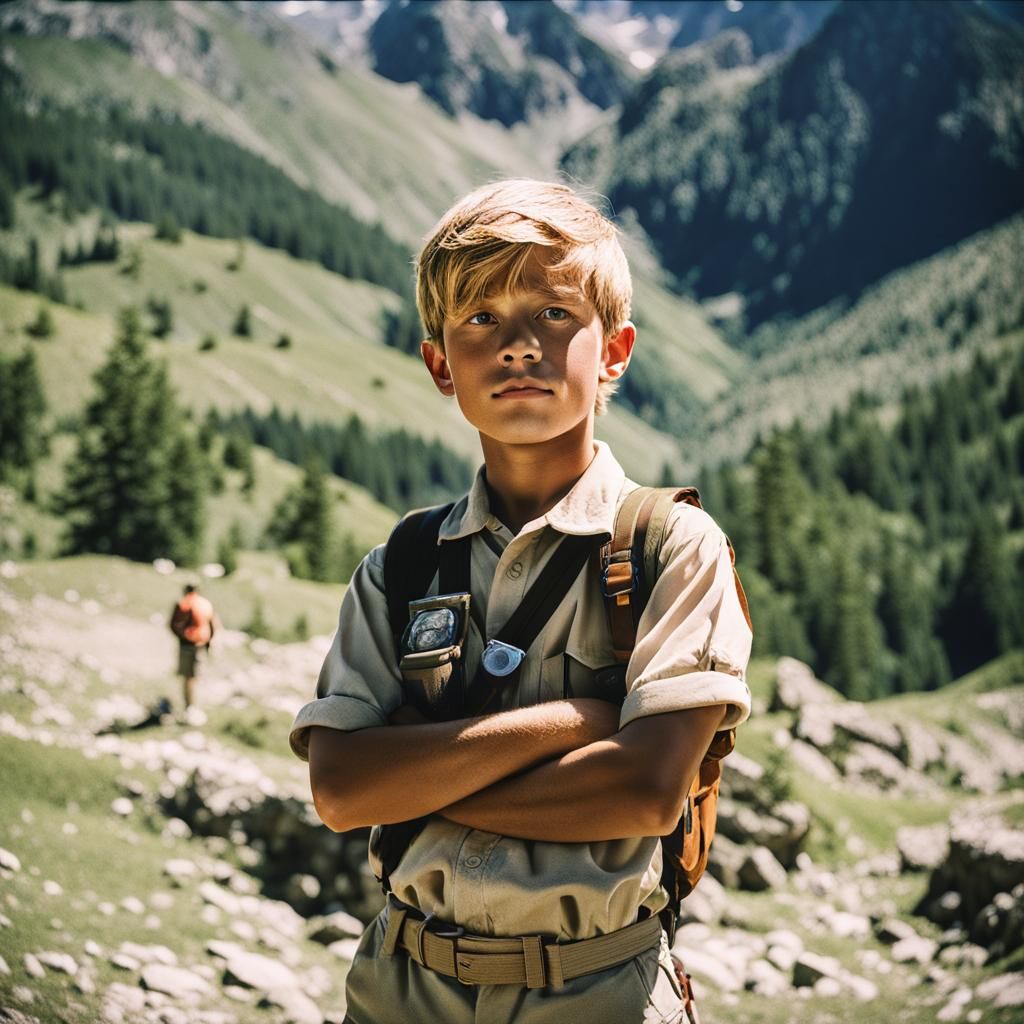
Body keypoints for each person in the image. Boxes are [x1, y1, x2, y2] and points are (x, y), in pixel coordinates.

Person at [288, 179, 753, 1023]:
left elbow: (645, 790)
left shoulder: (668, 548)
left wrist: (415, 782)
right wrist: (575, 722)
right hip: (401, 985)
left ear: (613, 351)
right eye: (479, 320)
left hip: (597, 988)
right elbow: (340, 788)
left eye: (550, 314)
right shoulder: (400, 566)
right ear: (439, 365)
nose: (515, 345)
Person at [169, 583, 216, 712]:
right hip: (201, 644)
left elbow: (173, 625)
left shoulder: (183, 603)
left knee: (188, 678)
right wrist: (209, 644)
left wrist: (182, 637)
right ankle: (193, 706)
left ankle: (190, 707)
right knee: (195, 677)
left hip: (187, 645)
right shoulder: (206, 603)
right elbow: (212, 625)